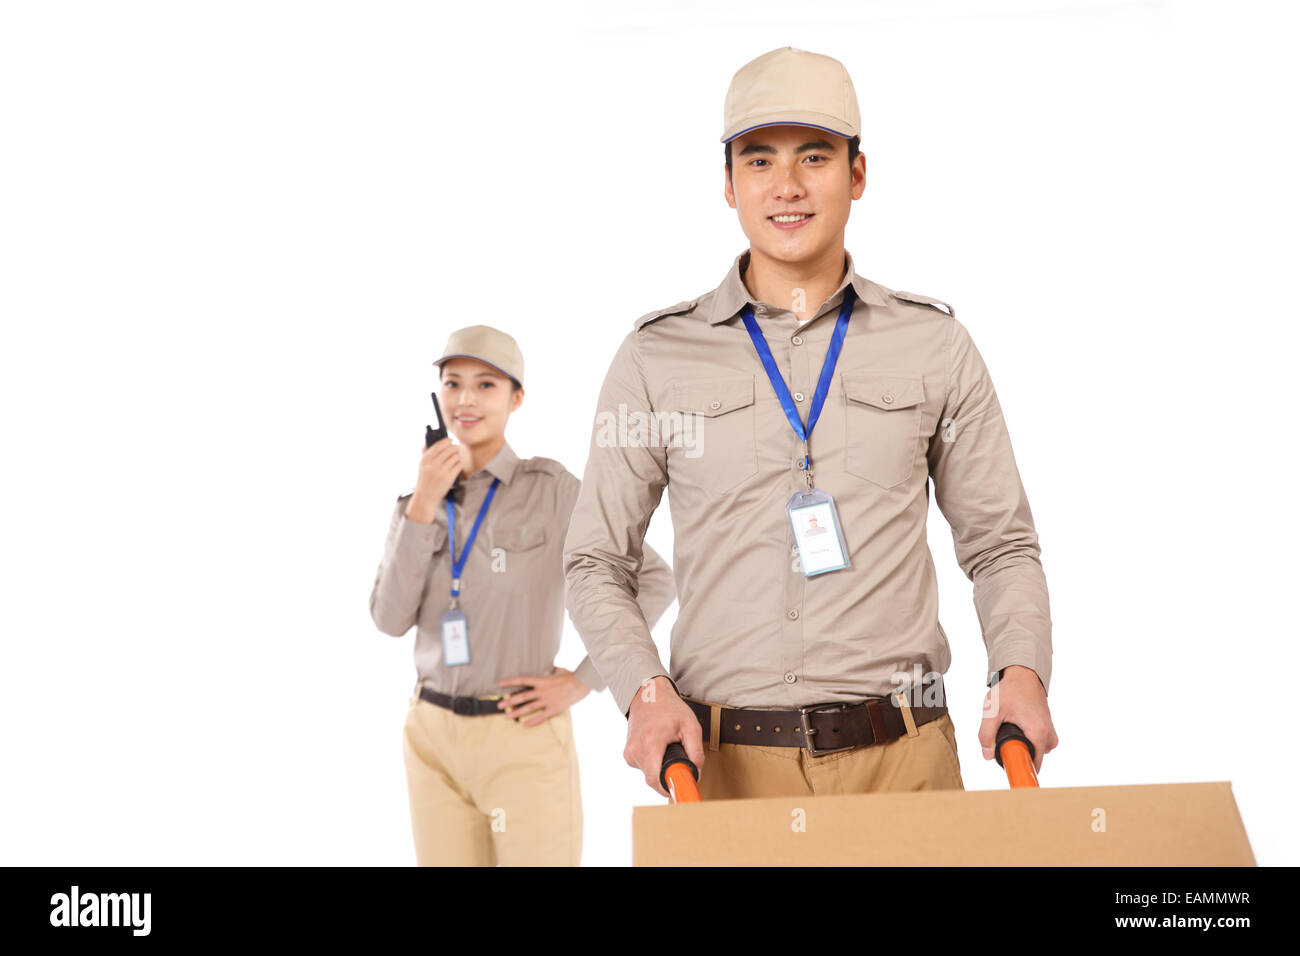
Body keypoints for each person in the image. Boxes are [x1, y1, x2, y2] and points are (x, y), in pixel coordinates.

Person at [563, 47, 1058, 801]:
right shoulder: (653, 358)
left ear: (858, 175)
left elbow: (1000, 544)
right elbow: (596, 560)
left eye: (815, 157)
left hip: (908, 760)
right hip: (724, 769)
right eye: (759, 161)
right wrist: (644, 691)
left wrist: (1019, 673)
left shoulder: (935, 345)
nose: (787, 187)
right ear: (727, 184)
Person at [370, 324, 676, 863]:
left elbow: (654, 577)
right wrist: (420, 505)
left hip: (521, 734)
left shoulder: (551, 490)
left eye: (486, 385)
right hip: (431, 736)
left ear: (516, 397)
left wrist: (584, 681)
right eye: (453, 383)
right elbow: (390, 619)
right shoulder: (419, 500)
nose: (465, 399)